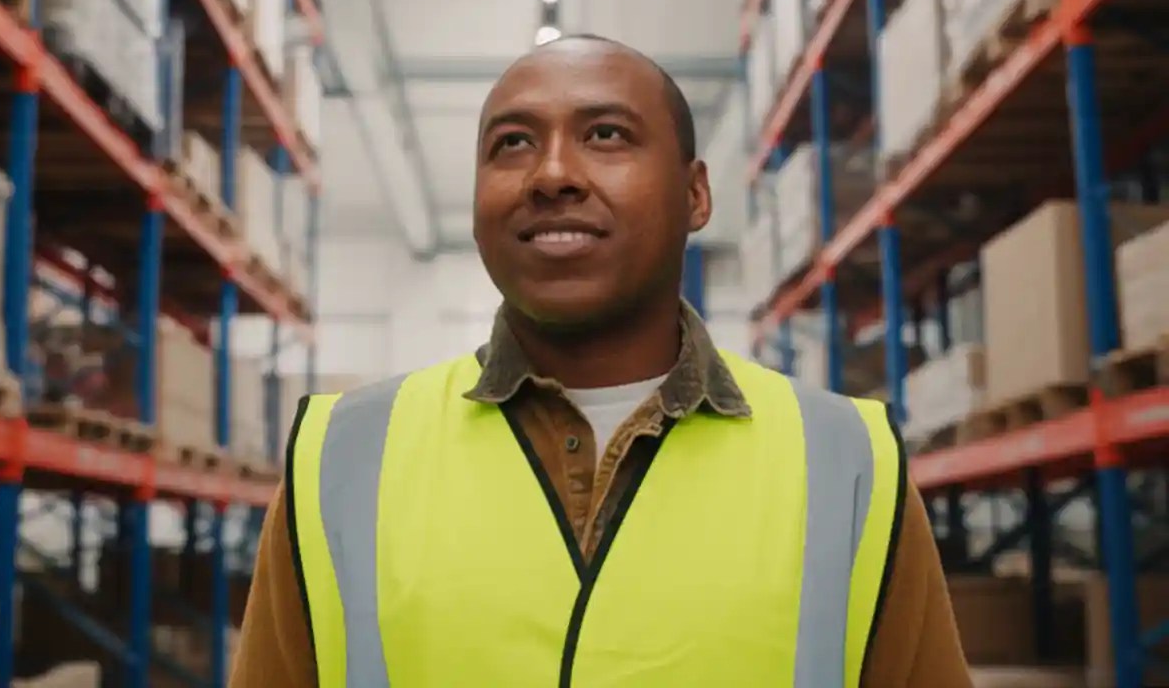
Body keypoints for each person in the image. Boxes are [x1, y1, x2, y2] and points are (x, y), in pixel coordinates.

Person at [230, 34, 972, 687]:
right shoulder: (341, 458)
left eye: (607, 134)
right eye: (512, 143)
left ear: (696, 194)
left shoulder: (847, 465)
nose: (551, 173)